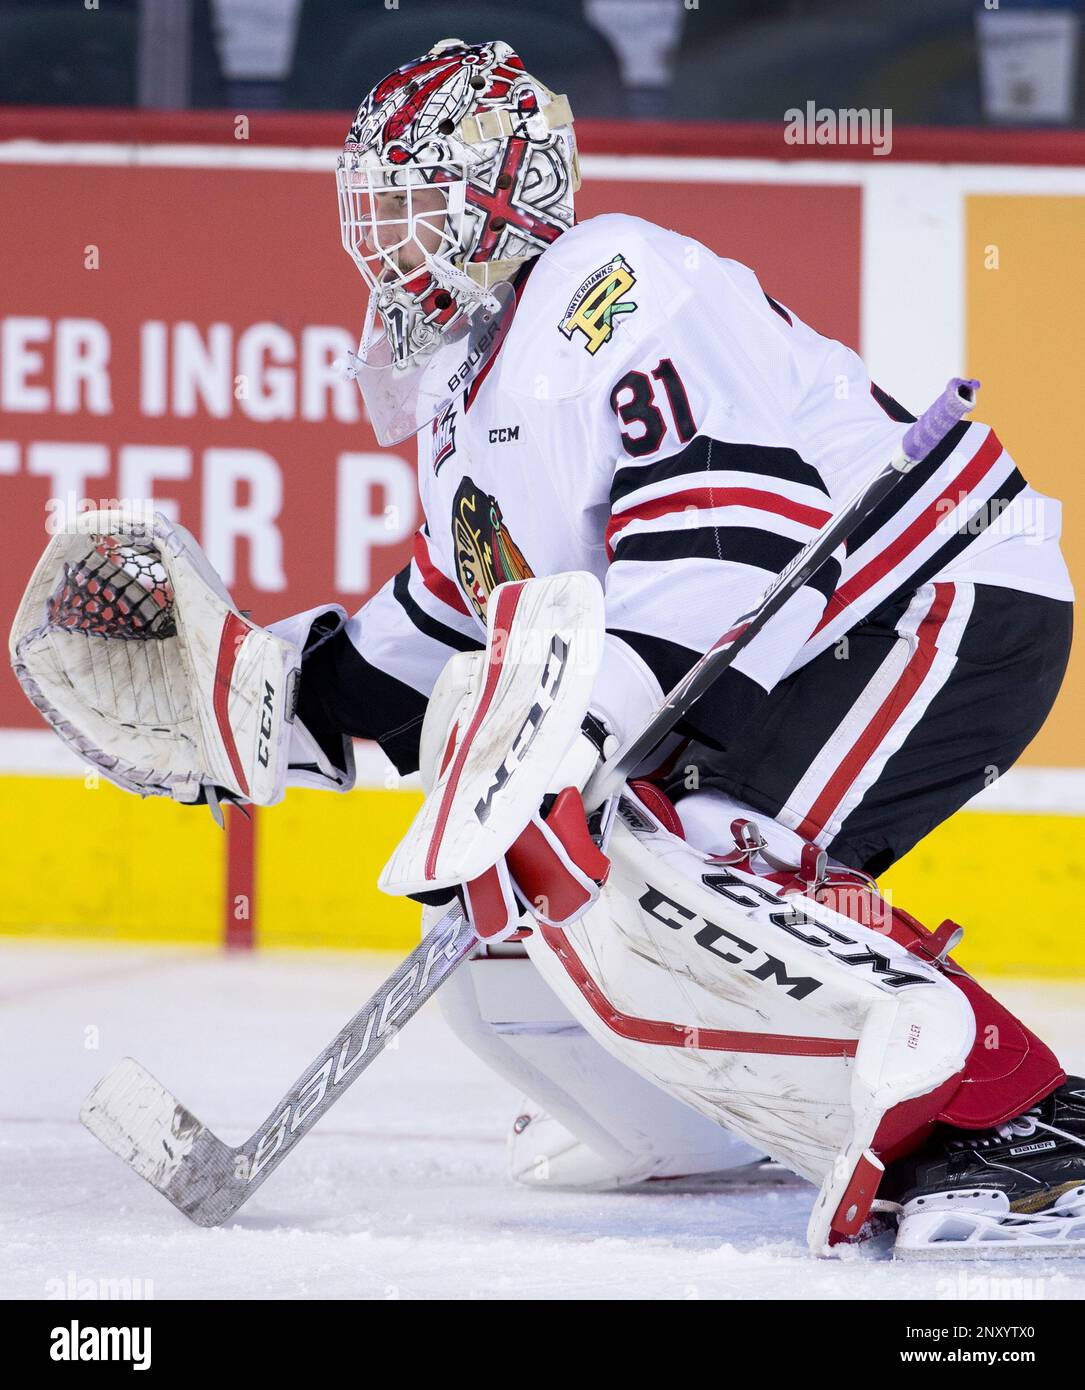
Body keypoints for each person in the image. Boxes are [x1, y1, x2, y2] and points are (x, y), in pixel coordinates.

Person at [273, 38, 1082, 1255]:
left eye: (410, 198)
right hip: (808, 638)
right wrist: (272, 705)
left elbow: (717, 536)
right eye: (371, 202)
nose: (379, 236)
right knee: (541, 909)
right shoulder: (459, 401)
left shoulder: (609, 277)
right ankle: (700, 1114)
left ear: (502, 188)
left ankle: (1024, 1119)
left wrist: (573, 739)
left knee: (692, 839)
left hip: (934, 592)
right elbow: (448, 621)